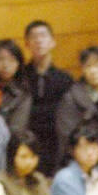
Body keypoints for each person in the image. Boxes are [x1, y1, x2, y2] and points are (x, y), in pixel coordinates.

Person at [18, 20, 73, 176]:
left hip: (57, 143)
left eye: (43, 36)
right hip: (28, 142)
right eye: (33, 37)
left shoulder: (65, 79)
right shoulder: (21, 76)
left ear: (52, 42)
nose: (39, 41)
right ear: (27, 44)